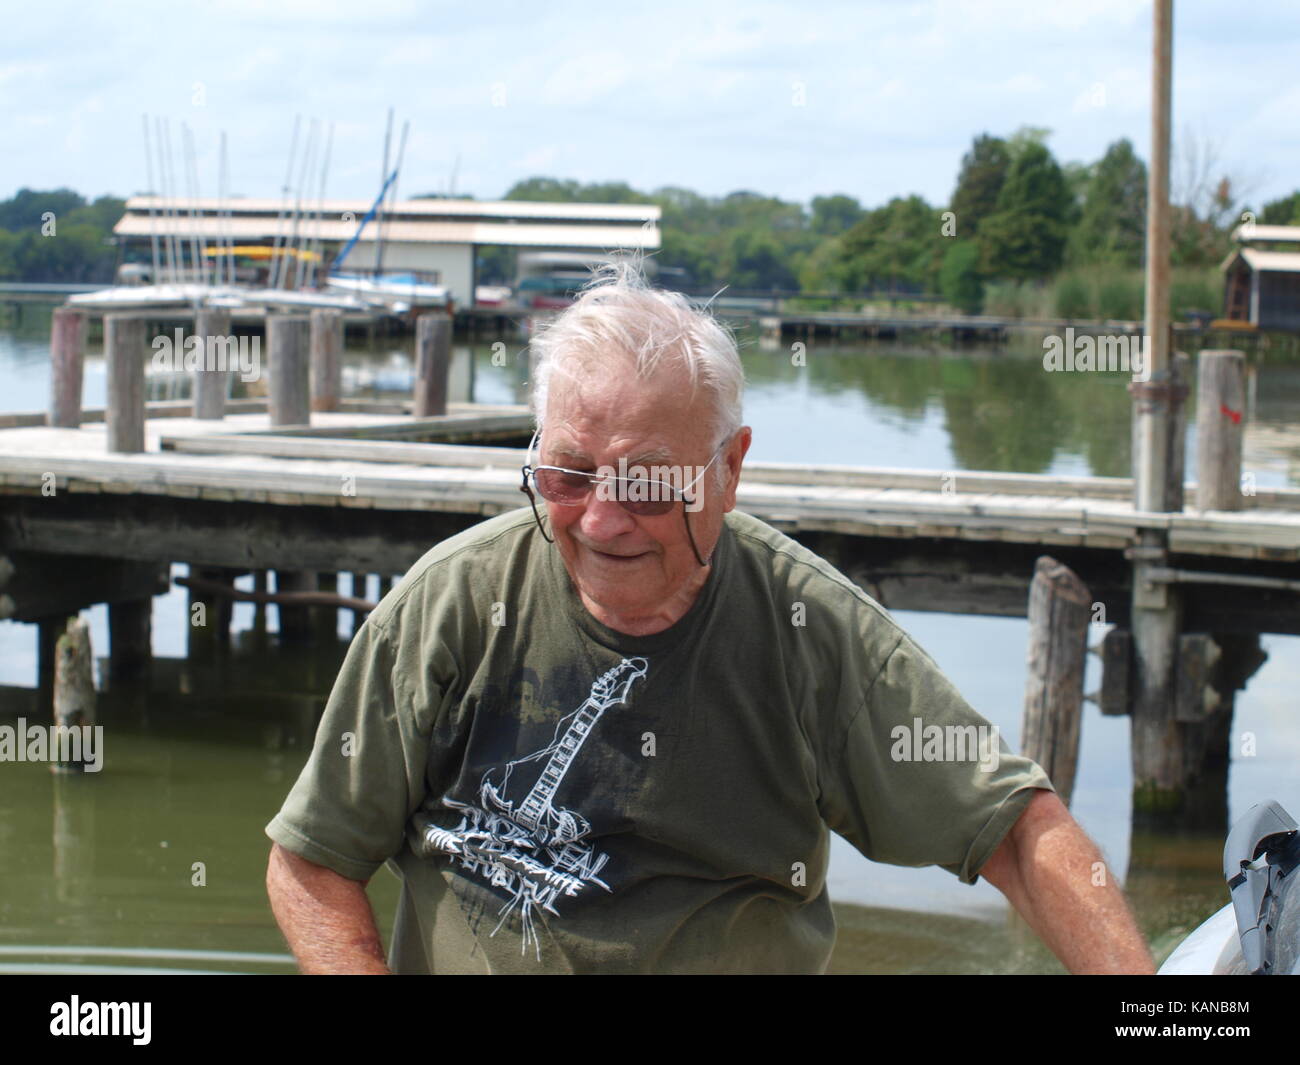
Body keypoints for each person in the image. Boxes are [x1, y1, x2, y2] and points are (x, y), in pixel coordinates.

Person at [265, 260, 1155, 975]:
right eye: (570, 476)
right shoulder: (450, 604)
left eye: (649, 483)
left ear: (730, 471)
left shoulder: (811, 633)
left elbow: (1017, 828)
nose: (604, 520)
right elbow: (312, 859)